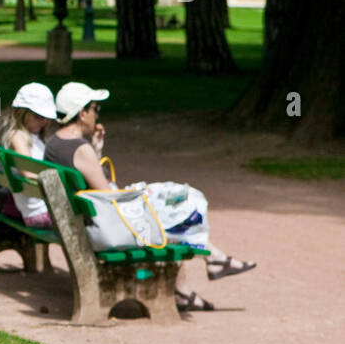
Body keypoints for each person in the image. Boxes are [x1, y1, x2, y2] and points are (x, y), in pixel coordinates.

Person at [45, 82, 256, 311]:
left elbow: (89, 182)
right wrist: (137, 194)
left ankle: (202, 272)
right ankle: (210, 264)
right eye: (96, 109)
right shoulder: (79, 149)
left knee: (169, 208)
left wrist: (97, 150)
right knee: (178, 209)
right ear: (82, 113)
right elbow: (108, 196)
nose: (97, 115)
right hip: (106, 228)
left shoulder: (55, 143)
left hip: (83, 223)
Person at [0, 83, 57, 229]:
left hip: (40, 209)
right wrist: (58, 178)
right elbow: (27, 172)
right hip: (40, 213)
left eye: (46, 117)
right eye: (38, 116)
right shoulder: (18, 136)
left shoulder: (29, 136)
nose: (44, 121)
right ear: (22, 113)